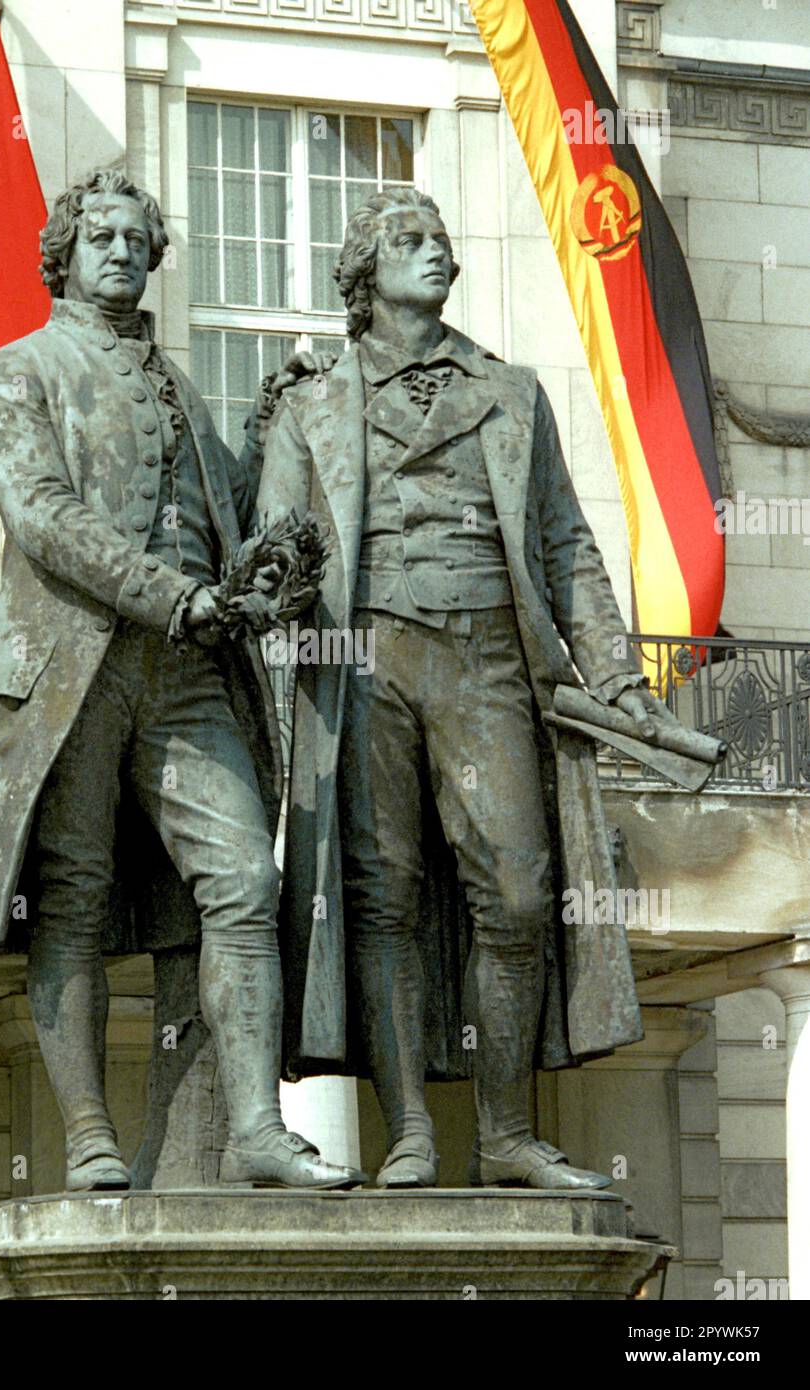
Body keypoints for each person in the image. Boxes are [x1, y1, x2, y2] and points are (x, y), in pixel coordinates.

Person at [257, 188, 676, 1189]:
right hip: (362, 664)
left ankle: (505, 1133)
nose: (435, 253)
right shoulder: (312, 403)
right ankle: (407, 1128)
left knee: (524, 894)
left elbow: (568, 544)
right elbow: (275, 536)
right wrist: (274, 580)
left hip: (488, 655)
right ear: (364, 279)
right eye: (409, 242)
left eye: (442, 238)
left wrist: (617, 674)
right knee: (381, 893)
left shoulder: (512, 390)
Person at [0, 169, 363, 1193]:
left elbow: (231, 507)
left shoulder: (179, 389)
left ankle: (256, 1128)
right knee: (75, 899)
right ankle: (89, 1131)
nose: (123, 252)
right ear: (64, 252)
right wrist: (170, 595)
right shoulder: (15, 373)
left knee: (245, 882)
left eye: (140, 239)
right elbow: (44, 518)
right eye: (102, 235)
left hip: (185, 671)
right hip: (69, 672)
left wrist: (283, 434)